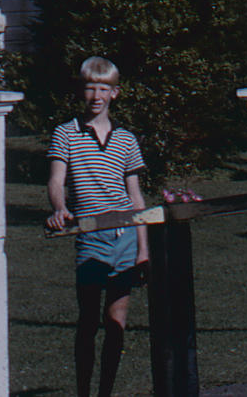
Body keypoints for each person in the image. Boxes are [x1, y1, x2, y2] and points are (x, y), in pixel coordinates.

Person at [47, 56, 149, 397]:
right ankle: (83, 392)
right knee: (88, 320)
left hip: (127, 236)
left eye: (103, 89)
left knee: (116, 323)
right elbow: (56, 180)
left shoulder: (126, 139)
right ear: (82, 91)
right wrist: (60, 208)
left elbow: (136, 197)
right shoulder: (66, 133)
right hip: (91, 237)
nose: (96, 96)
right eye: (90, 88)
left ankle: (105, 391)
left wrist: (143, 250)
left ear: (114, 93)